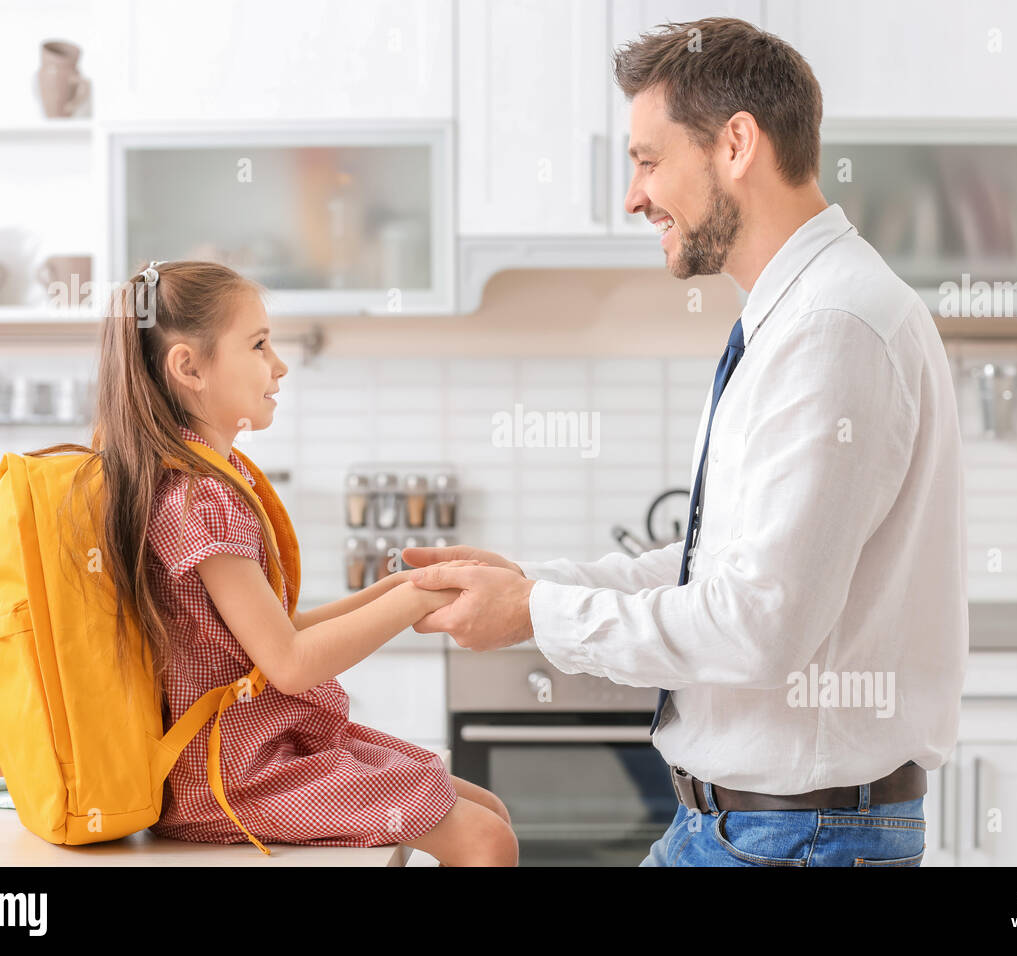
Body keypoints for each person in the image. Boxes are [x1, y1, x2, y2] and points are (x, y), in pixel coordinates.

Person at [403, 18, 967, 867]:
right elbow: (727, 567)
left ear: (736, 142)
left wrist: (533, 612)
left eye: (647, 158)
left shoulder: (833, 326)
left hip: (792, 838)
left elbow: (757, 627)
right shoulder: (794, 314)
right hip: (749, 829)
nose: (634, 196)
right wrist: (533, 584)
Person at [36, 260, 517, 866]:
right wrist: (418, 600)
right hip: (230, 775)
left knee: (490, 815)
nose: (279, 365)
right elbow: (290, 665)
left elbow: (276, 638)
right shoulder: (196, 497)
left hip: (259, 752)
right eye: (259, 344)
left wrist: (413, 582)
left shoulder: (208, 479)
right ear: (188, 367)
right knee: (485, 838)